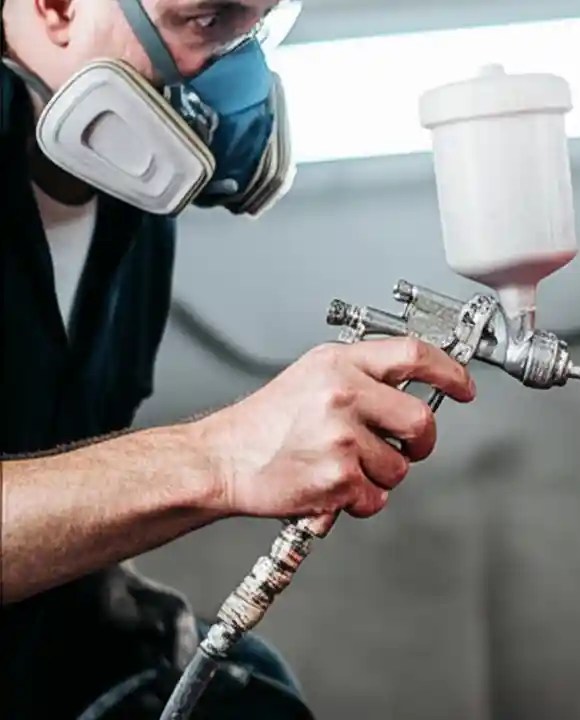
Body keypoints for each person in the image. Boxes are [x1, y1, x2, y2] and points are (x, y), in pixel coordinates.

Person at [1, 0, 474, 716]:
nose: (238, 71)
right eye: (207, 19)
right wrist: (221, 457)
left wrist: (110, 595)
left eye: (255, 26)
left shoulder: (132, 206)